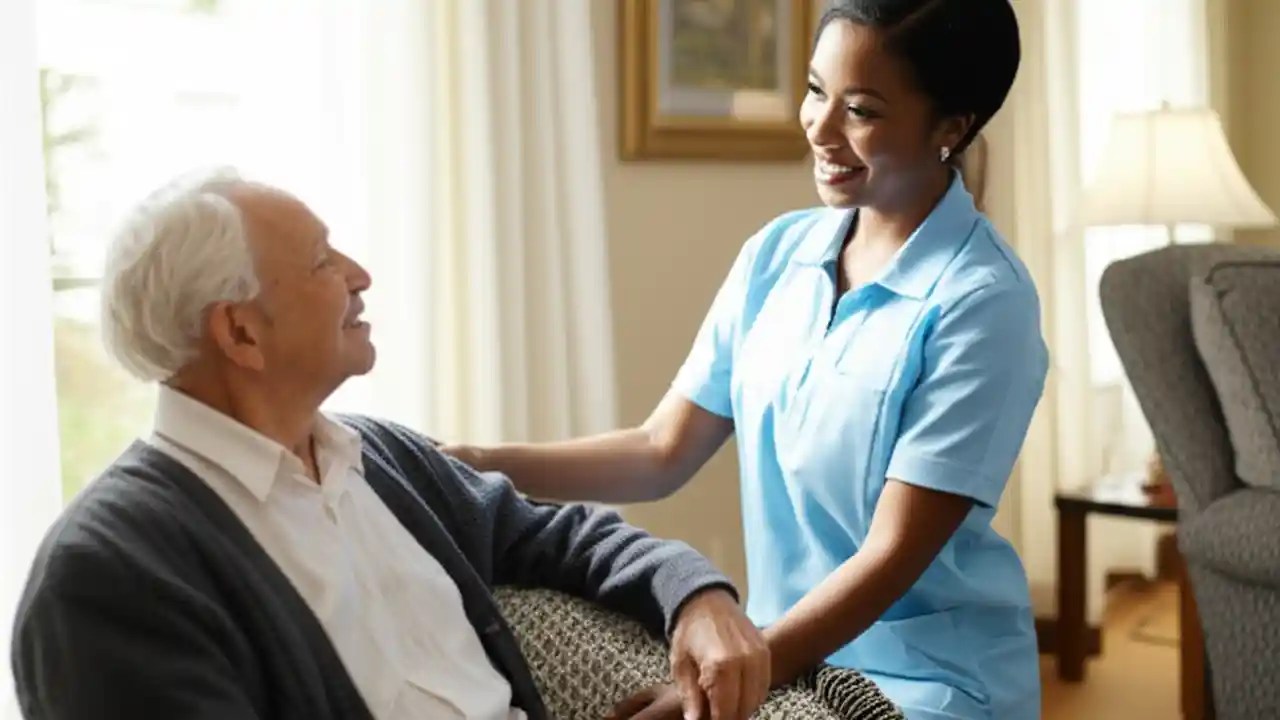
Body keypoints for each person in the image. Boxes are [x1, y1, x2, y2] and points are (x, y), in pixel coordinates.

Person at [442, 1, 1046, 718]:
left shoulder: (982, 303)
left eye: (861, 110)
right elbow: (660, 451)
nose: (820, 128)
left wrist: (708, 688)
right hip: (781, 658)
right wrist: (468, 464)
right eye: (816, 91)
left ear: (952, 126)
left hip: (929, 685)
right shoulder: (777, 255)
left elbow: (888, 561)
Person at [9, 170, 771, 720]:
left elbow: (561, 535)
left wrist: (696, 599)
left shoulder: (376, 458)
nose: (359, 276)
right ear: (240, 331)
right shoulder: (106, 576)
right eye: (321, 261)